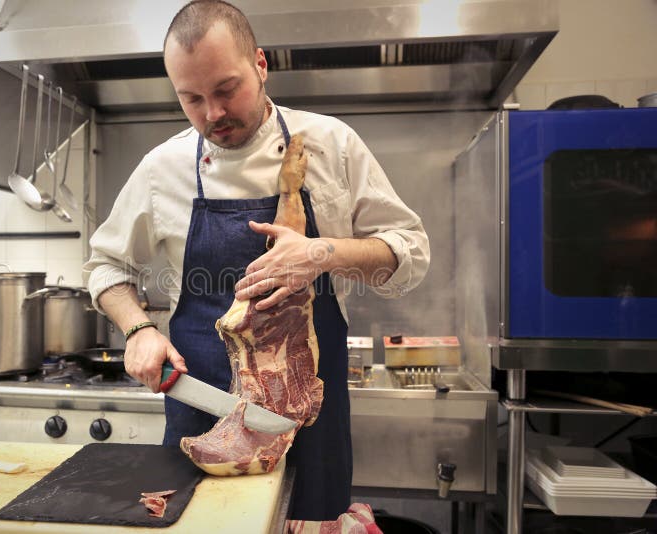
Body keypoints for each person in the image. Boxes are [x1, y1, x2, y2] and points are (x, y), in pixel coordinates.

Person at [83, 0, 430, 521]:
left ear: (261, 65)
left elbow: (409, 252)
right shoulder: (163, 169)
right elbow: (106, 267)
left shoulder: (331, 145)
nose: (213, 114)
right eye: (192, 99)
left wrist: (323, 253)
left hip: (307, 414)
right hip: (203, 410)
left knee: (310, 523)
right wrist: (137, 330)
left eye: (226, 90)